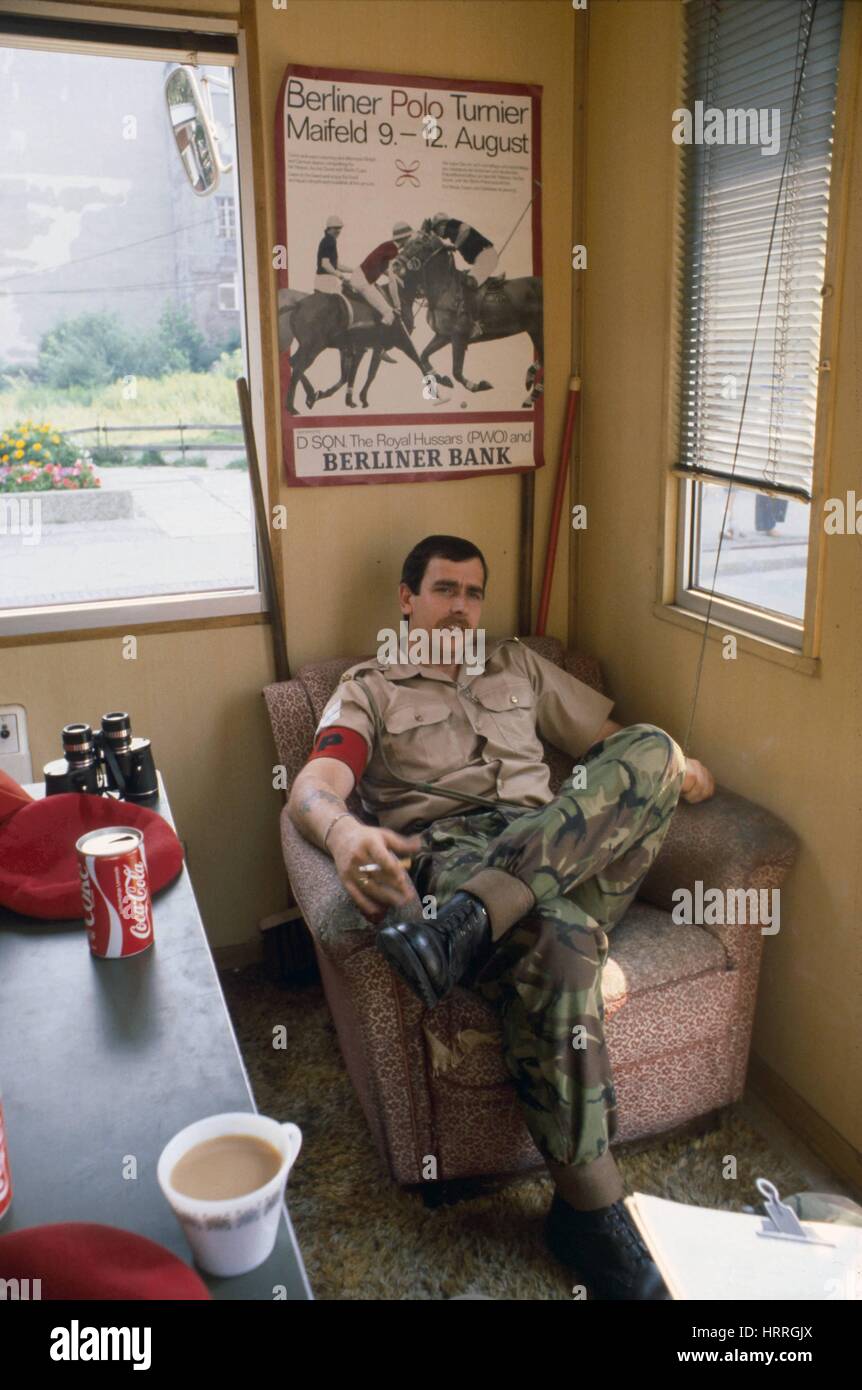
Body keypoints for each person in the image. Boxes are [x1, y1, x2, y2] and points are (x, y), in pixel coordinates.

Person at [288, 535, 715, 1300]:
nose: (461, 606)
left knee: (657, 745)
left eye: (474, 592)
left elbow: (614, 750)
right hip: (457, 859)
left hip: (567, 854)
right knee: (558, 945)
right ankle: (592, 1209)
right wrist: (345, 830)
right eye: (445, 589)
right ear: (407, 598)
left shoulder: (517, 666)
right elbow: (315, 786)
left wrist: (671, 770)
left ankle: (461, 930)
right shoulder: (368, 687)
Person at [430, 212, 503, 334]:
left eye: (437, 230)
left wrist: (455, 246)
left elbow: (465, 229)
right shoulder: (451, 232)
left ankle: (475, 323)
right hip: (483, 257)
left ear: (442, 225)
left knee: (469, 284)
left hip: (486, 256)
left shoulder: (451, 224)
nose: (438, 234)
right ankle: (491, 280)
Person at [346, 222, 413, 326]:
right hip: (363, 282)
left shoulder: (387, 246)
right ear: (405, 238)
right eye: (410, 239)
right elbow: (391, 282)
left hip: (358, 277)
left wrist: (398, 279)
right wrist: (397, 306)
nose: (411, 242)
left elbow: (384, 268)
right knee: (389, 314)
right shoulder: (393, 251)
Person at [314, 214, 351, 295]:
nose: (338, 231)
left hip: (324, 279)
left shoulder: (328, 240)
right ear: (329, 229)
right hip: (326, 280)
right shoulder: (329, 240)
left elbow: (336, 265)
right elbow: (325, 264)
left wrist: (353, 271)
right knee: (342, 301)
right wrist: (340, 275)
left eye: (340, 228)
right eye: (336, 228)